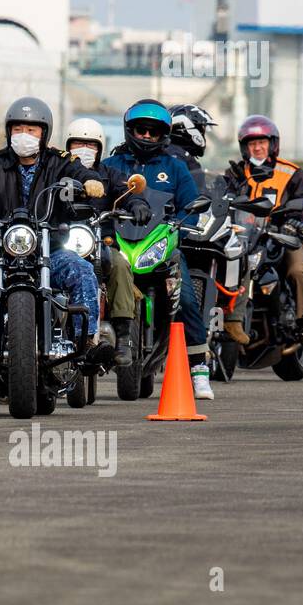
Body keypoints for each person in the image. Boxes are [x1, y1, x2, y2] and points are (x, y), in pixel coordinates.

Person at [0, 97, 108, 416]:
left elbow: (83, 174)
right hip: (4, 260)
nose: (24, 133)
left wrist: (90, 183)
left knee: (82, 271)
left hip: (52, 256)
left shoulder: (59, 161)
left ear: (44, 132)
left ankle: (85, 344)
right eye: (18, 127)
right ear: (8, 130)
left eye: (31, 128)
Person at [101, 99, 214, 399]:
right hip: (122, 243)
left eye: (153, 132)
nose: (146, 136)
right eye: (141, 130)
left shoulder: (175, 167)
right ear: (129, 130)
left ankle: (199, 370)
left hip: (162, 246)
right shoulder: (111, 165)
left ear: (163, 134)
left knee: (187, 299)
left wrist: (181, 222)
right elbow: (96, 200)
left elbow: (193, 205)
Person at [220, 115, 303, 344]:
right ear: (245, 147)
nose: (257, 148)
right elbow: (221, 199)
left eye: (262, 142)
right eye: (252, 143)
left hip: (282, 233)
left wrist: (296, 221)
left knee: (295, 270)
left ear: (272, 144)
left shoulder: (291, 172)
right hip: (244, 234)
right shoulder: (235, 173)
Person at [64, 118, 152, 366]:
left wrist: (137, 204)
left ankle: (123, 336)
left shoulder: (109, 175)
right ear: (68, 146)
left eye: (90, 145)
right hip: (62, 244)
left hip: (99, 243)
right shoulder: (56, 173)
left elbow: (128, 192)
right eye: (78, 143)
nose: (83, 149)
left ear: (100, 148)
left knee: (121, 265)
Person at [168, 103, 217, 190]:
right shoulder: (177, 158)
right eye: (202, 129)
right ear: (190, 129)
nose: (203, 135)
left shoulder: (175, 154)